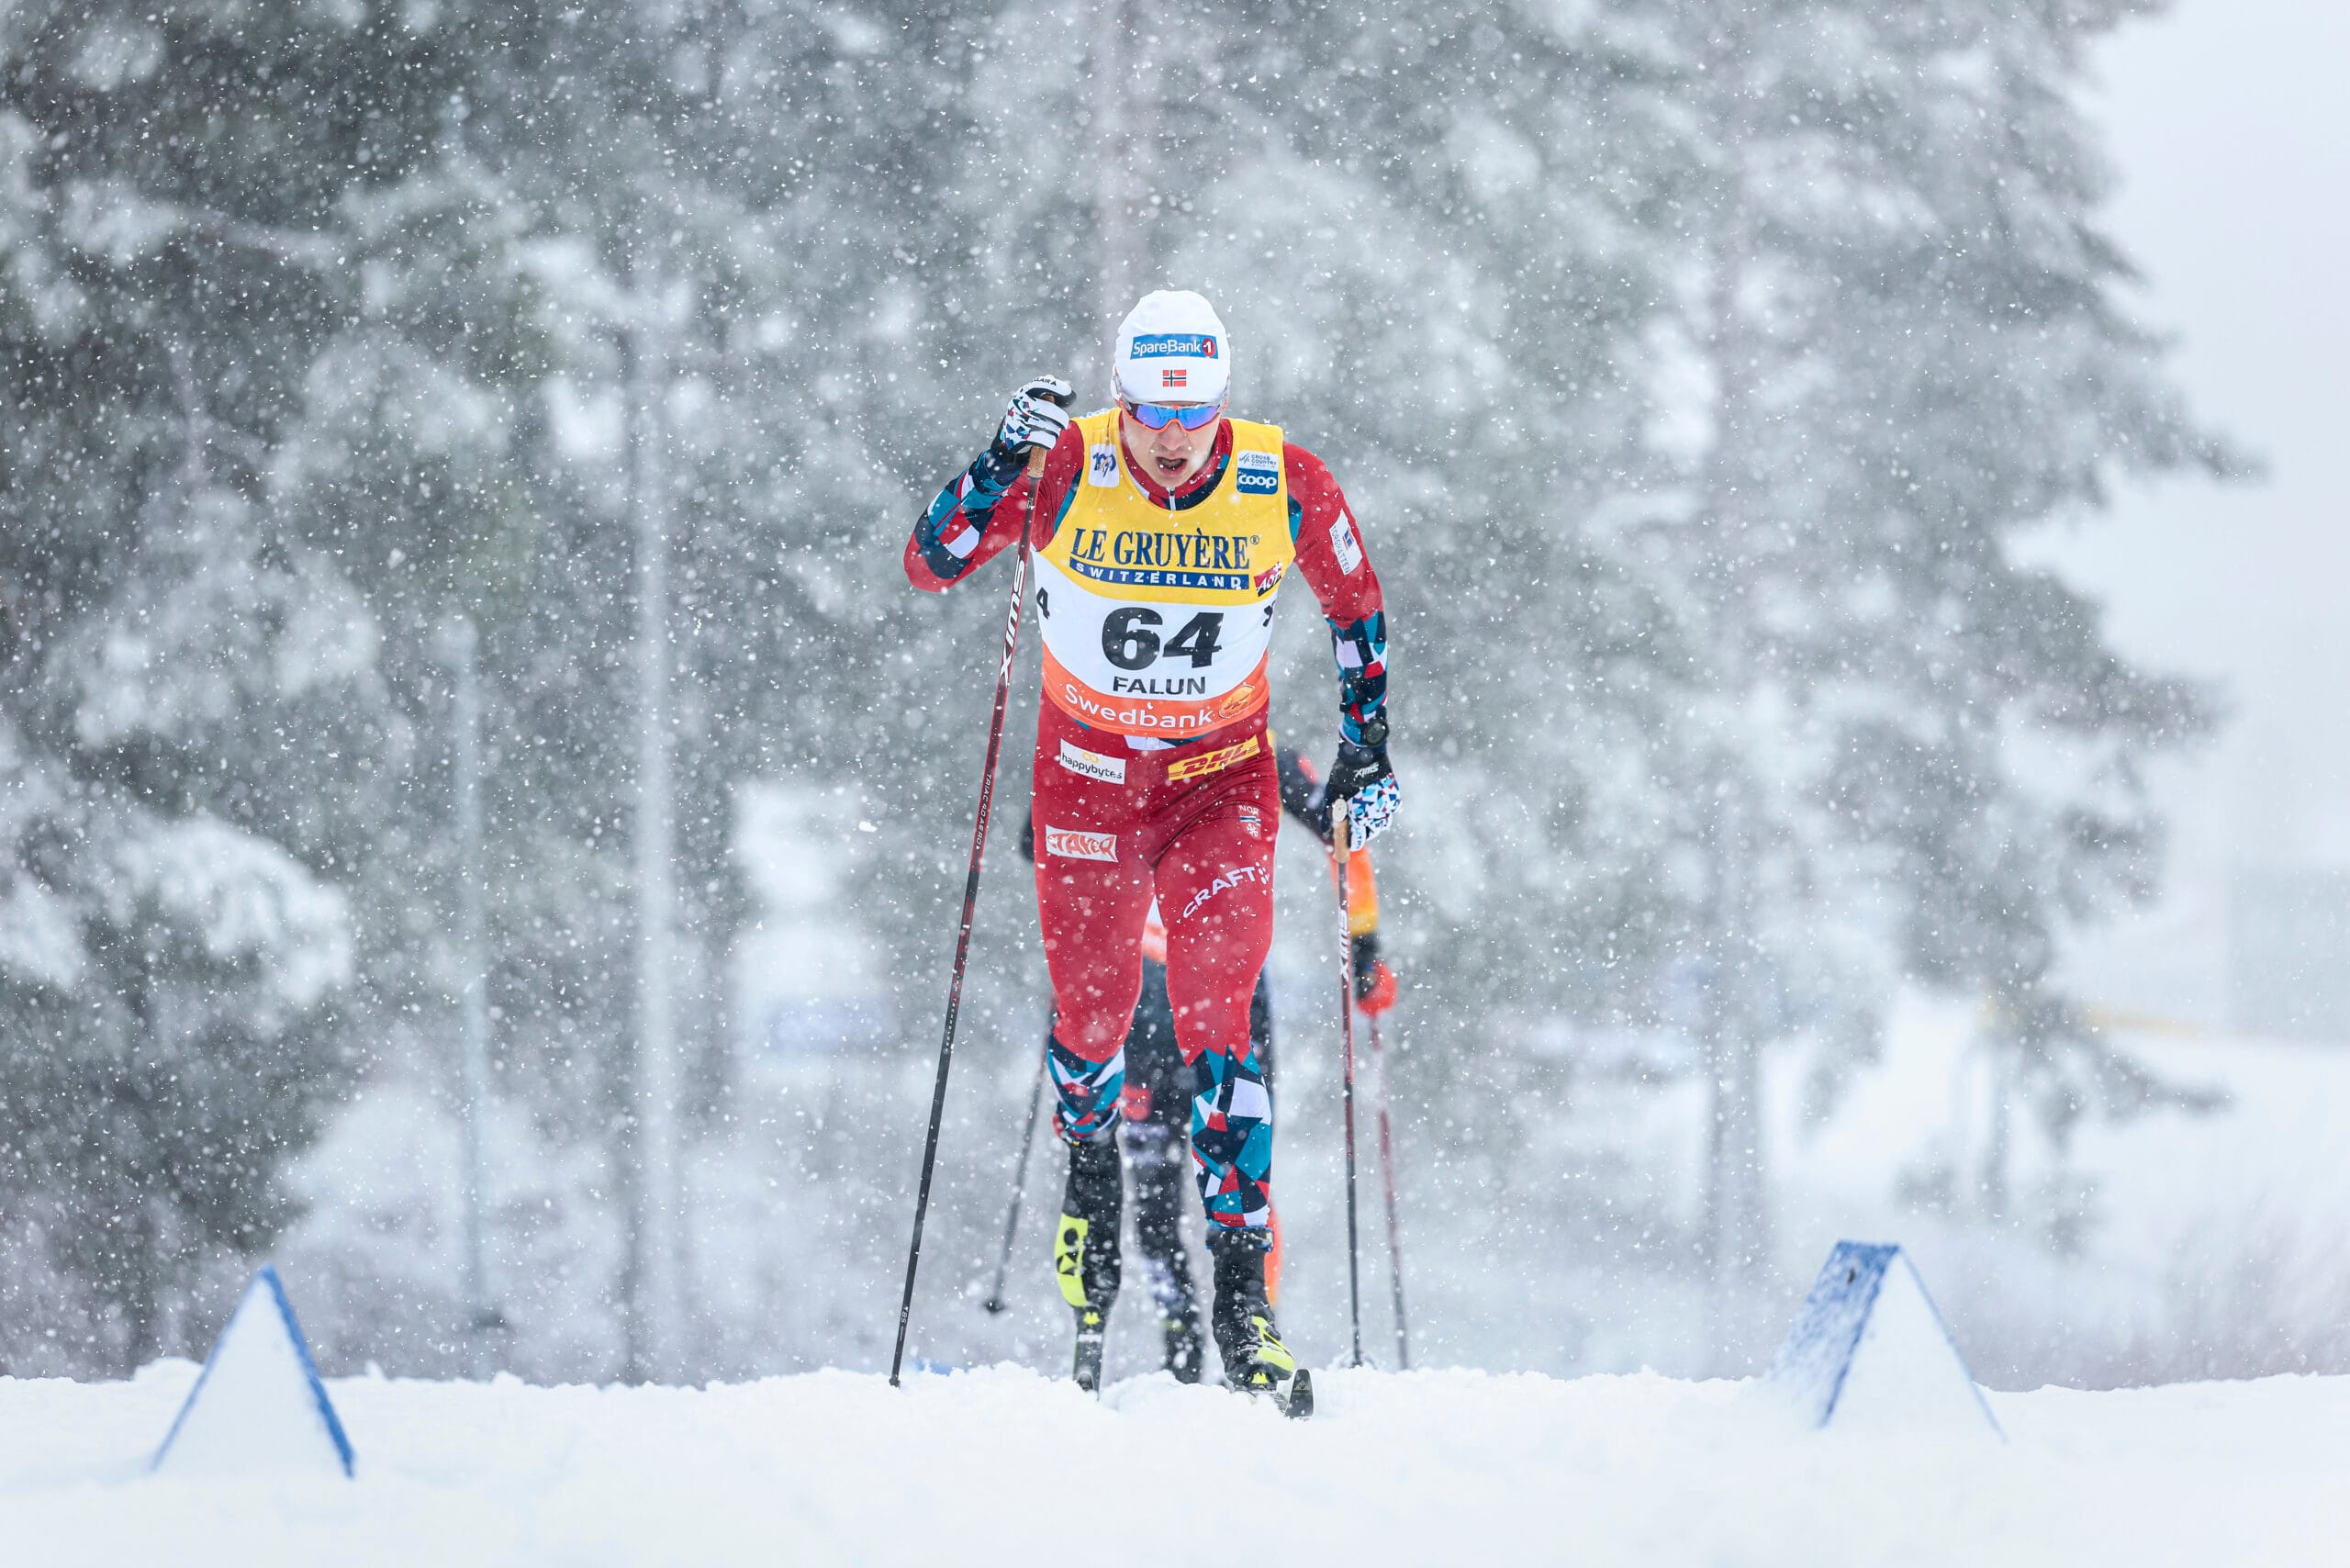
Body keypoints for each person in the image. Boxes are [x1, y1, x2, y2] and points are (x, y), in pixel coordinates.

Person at [904, 290, 1399, 1412]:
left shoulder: (1284, 480)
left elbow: (1357, 601)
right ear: (1121, 404)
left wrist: (1369, 744)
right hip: (1085, 782)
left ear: (1221, 402)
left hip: (1219, 781)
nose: (1174, 442)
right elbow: (932, 561)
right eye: (1151, 417)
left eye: (1196, 416)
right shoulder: (1067, 465)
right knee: (1090, 1022)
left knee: (1224, 1018)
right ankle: (1089, 1187)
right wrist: (993, 462)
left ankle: (1241, 1301)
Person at [1019, 744, 1399, 1384]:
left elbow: (1041, 845)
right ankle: (1205, 1340)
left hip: (1189, 990)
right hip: (1175, 996)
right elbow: (1346, 839)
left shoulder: (1216, 740)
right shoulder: (1168, 737)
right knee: (1194, 1181)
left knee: (1192, 1183)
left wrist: (1365, 952)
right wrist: (1364, 951)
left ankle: (1223, 1334)